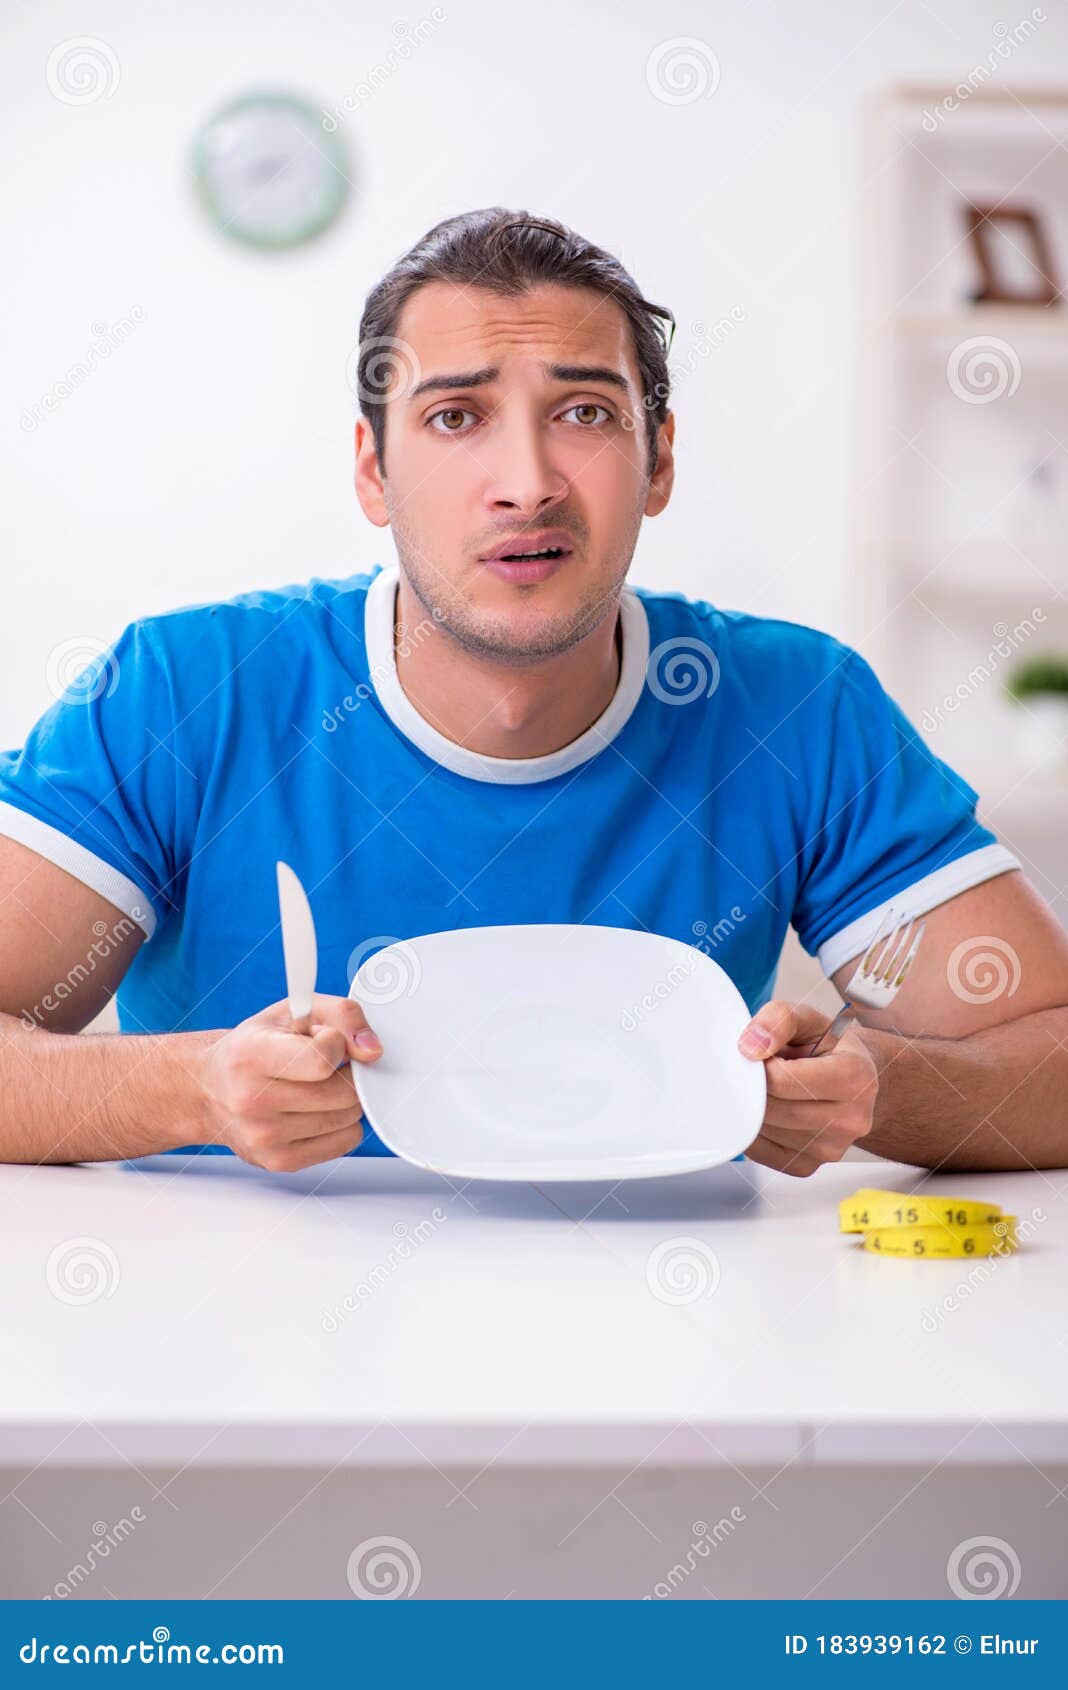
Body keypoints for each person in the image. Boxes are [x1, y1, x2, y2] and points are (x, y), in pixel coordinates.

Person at [1, 208, 1066, 1178]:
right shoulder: (186, 695)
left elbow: (1047, 1055)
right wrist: (194, 1089)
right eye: (457, 417)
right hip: (234, 1354)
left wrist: (875, 1092)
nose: (528, 480)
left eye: (586, 413)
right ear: (373, 471)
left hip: (668, 1334)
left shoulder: (795, 711)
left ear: (658, 462)